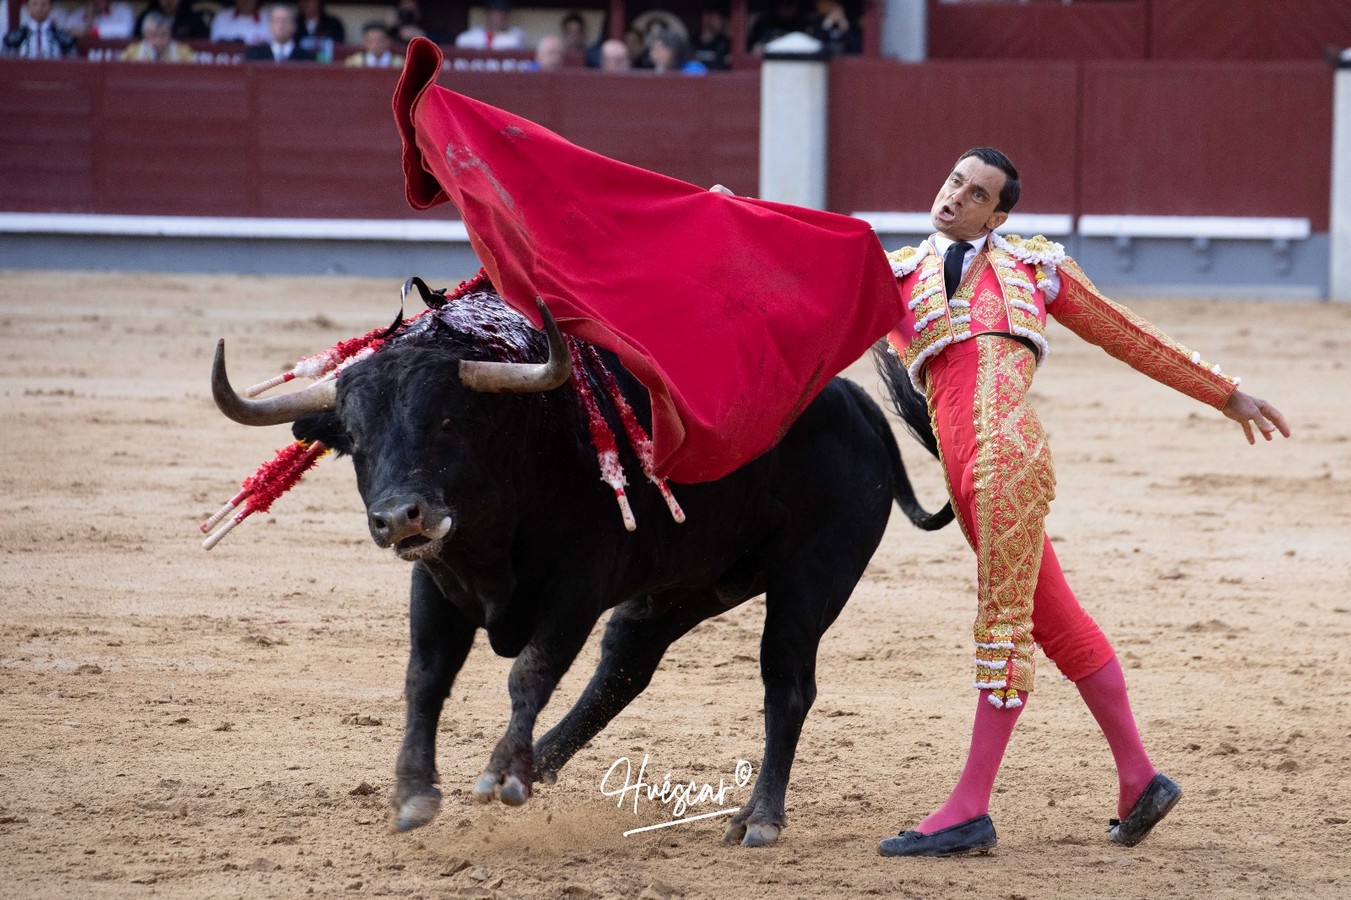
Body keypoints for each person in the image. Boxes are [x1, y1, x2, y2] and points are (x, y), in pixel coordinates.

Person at [873, 147, 1289, 857]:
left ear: (997, 214)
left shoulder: (1033, 266)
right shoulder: (895, 276)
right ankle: (1139, 779)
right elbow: (804, 285)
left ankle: (968, 807)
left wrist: (1225, 393)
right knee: (1055, 622)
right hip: (964, 471)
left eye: (975, 195)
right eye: (953, 181)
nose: (955, 198)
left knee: (1003, 624)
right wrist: (736, 216)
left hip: (1006, 459)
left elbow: (1124, 333)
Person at [2, 0, 77, 58]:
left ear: (51, 7)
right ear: (28, 7)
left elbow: (72, 62)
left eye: (43, 4)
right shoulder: (15, 37)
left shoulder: (63, 37)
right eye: (35, 4)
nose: (39, 8)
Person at [243, 4, 315, 61]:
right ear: (270, 25)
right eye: (277, 20)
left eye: (285, 20)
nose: (281, 24)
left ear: (294, 26)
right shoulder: (255, 55)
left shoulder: (306, 57)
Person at [120, 10, 194, 61]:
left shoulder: (184, 54)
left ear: (170, 35)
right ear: (145, 36)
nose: (159, 41)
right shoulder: (131, 54)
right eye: (153, 35)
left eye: (164, 35)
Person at [454, 0, 526, 51]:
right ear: (488, 14)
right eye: (495, 13)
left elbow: (513, 43)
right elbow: (460, 40)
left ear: (508, 16)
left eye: (502, 13)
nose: (499, 17)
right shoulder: (477, 33)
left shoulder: (516, 34)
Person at [133, 0, 208, 40]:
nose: (169, 1)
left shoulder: (193, 19)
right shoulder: (146, 16)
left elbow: (203, 43)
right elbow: (135, 40)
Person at [63, 0, 136, 39]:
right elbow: (68, 28)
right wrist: (89, 20)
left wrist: (92, 32)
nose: (96, 1)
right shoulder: (81, 12)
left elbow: (126, 31)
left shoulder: (122, 9)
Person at [692, 5, 731, 71]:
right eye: (716, 17)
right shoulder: (692, 41)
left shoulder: (726, 45)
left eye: (720, 17)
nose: (711, 21)